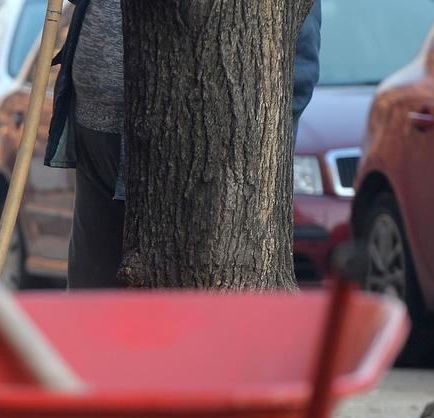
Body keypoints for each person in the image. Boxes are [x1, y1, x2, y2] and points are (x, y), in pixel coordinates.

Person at [45, 0, 323, 289]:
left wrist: (251, 149)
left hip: (183, 160)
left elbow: (297, 67)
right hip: (93, 138)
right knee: (91, 296)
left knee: (167, 302)